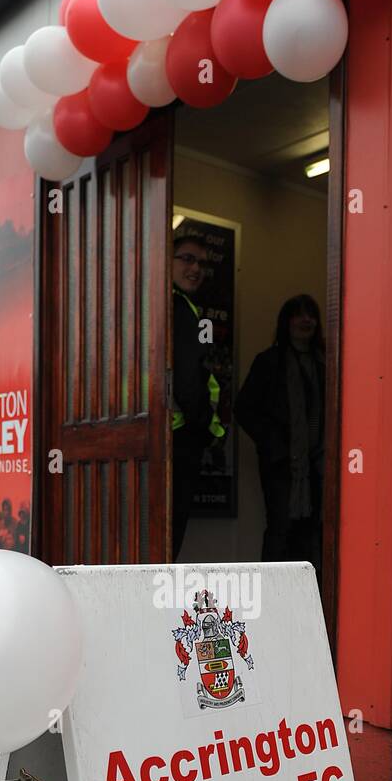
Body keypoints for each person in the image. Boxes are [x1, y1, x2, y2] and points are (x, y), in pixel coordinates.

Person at [234, 294, 326, 567]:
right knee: (280, 530)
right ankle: (273, 601)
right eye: (298, 314)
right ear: (286, 322)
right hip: (281, 466)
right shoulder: (269, 362)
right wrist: (275, 445)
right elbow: (244, 409)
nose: (305, 320)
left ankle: (309, 601)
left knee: (312, 532)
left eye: (311, 314)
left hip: (317, 465)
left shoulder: (326, 363)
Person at [171, 232, 225, 559]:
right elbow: (188, 381)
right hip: (179, 437)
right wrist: (206, 428)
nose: (196, 268)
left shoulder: (184, 307)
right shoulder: (177, 307)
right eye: (187, 259)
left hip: (177, 436)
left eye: (202, 263)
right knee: (167, 537)